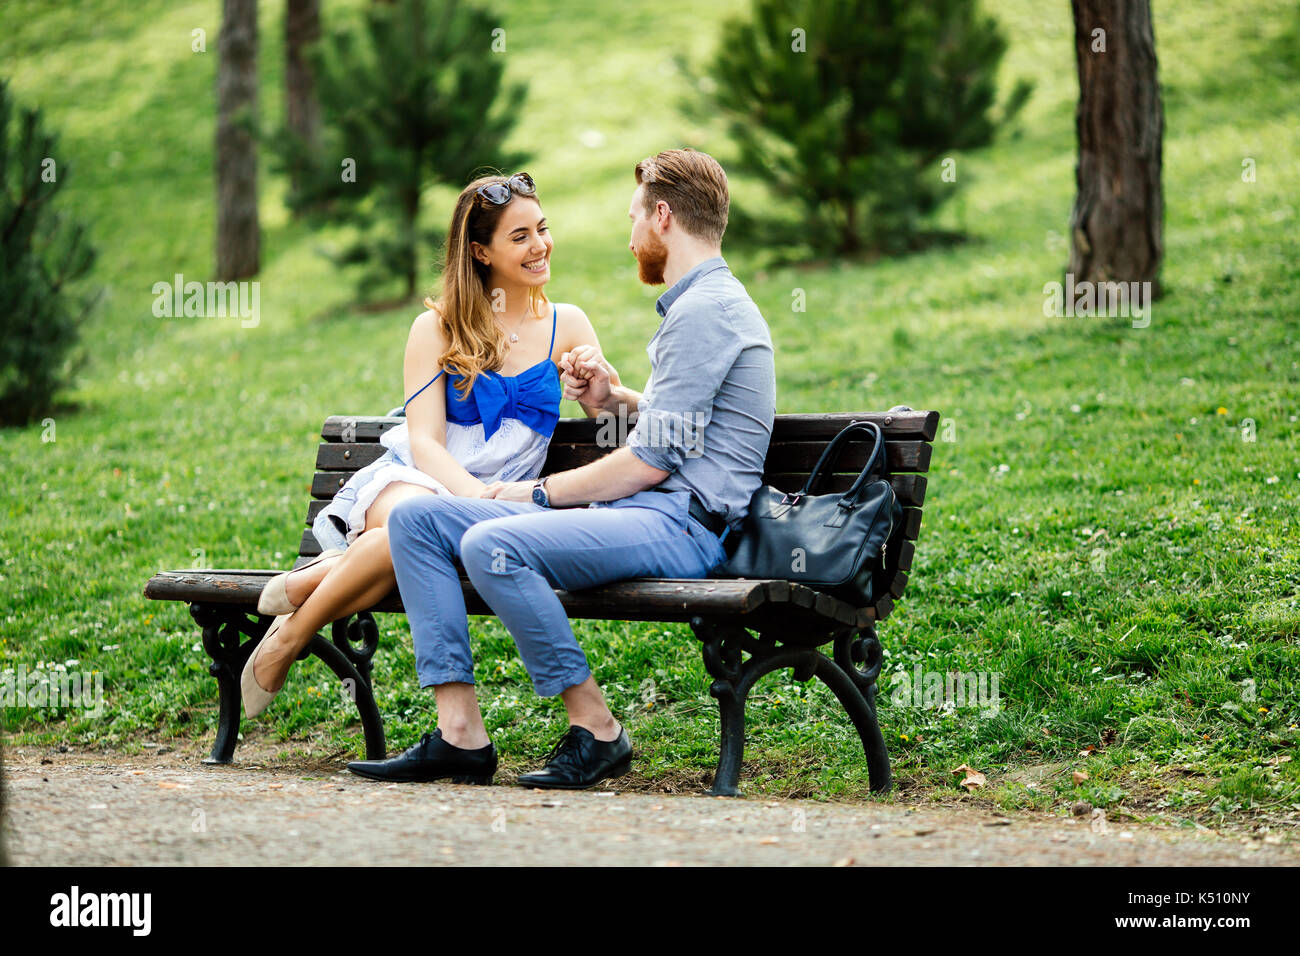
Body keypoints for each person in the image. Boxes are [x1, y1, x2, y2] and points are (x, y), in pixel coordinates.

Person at [346, 148, 776, 789]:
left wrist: (537, 494)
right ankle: (459, 735)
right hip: (649, 511)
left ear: (662, 217)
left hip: (684, 524)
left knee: (492, 545)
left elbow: (648, 465)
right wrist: (614, 400)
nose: (631, 237)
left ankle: (598, 729)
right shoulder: (698, 305)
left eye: (635, 219)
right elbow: (678, 427)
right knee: (417, 523)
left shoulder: (706, 313)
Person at [241, 172, 615, 717]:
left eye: (542, 228)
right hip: (420, 479)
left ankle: (301, 608)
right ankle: (290, 641)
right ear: (481, 252)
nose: (540, 246)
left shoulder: (569, 323)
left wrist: (596, 381)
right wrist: (474, 498)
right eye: (520, 237)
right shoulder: (435, 328)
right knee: (408, 523)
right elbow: (424, 442)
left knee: (407, 542)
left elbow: (607, 415)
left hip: (496, 504)